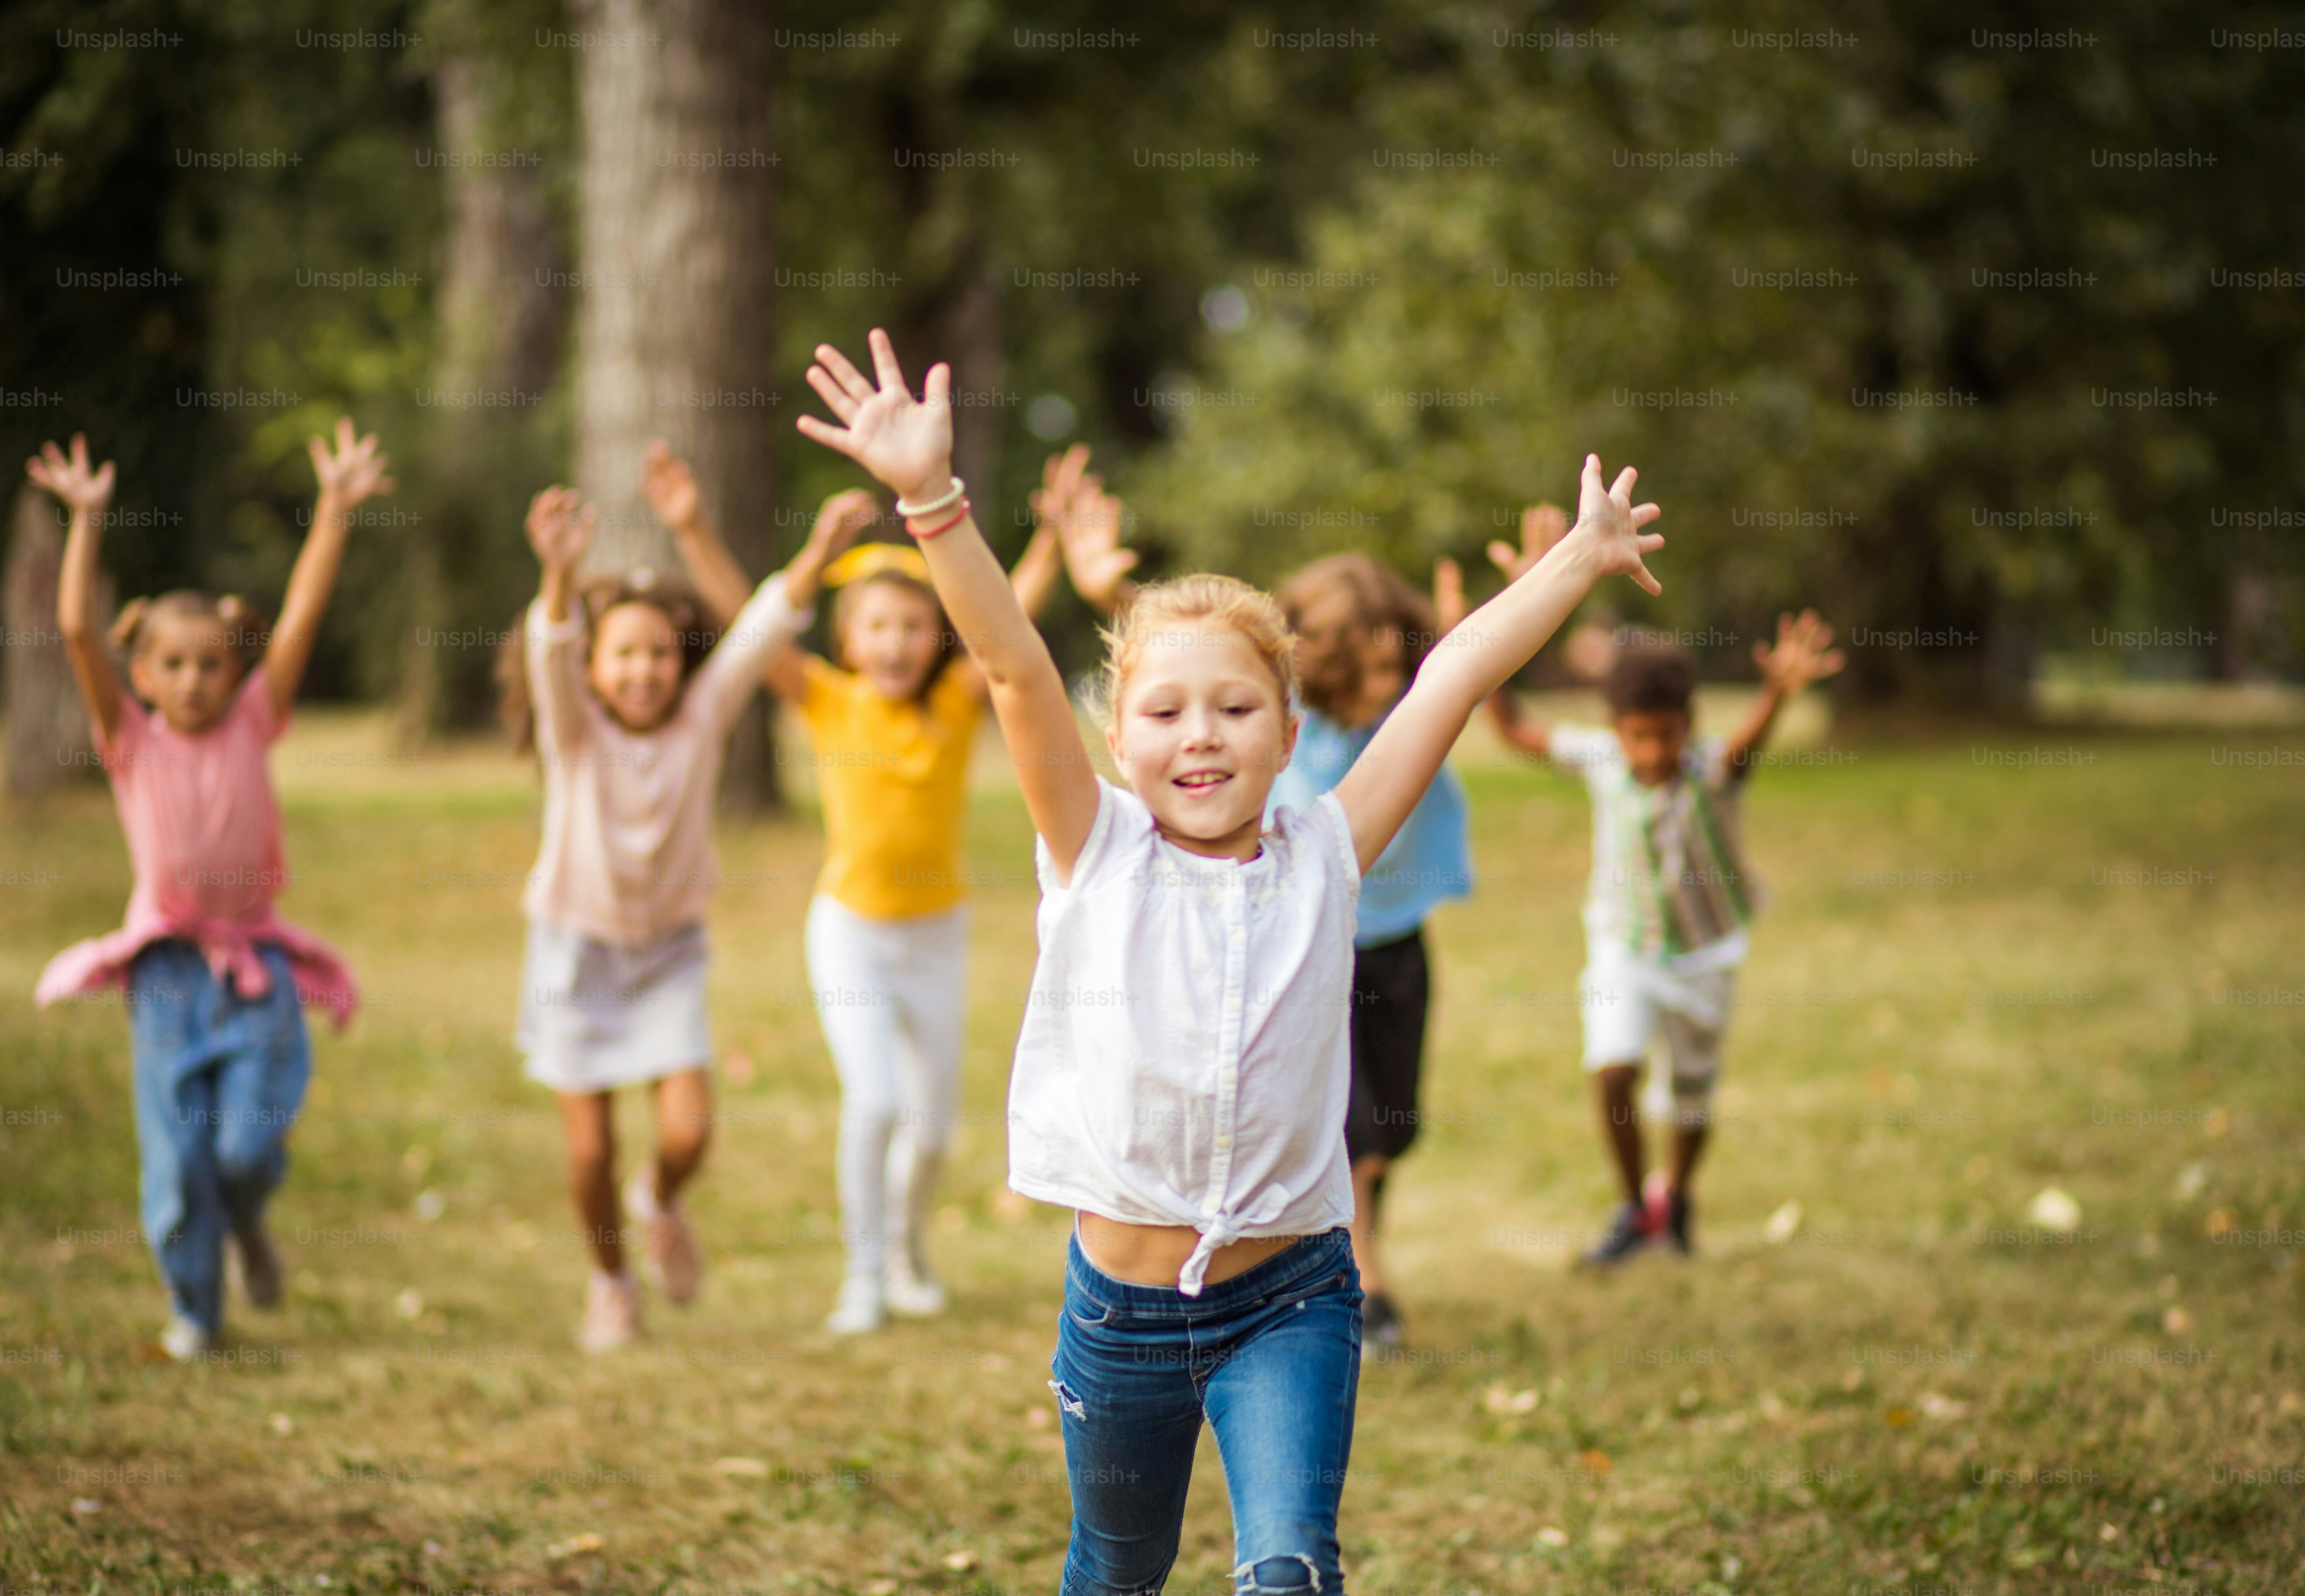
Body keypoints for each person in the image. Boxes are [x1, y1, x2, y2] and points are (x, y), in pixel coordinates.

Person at [794, 328, 1666, 1594]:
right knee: (1116, 1568)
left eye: (1234, 708)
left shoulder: (1328, 847)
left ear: (1285, 732)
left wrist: (1577, 559)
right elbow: (1006, 662)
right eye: (1161, 712)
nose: (1197, 736)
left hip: (1290, 1300)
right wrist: (930, 501)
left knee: (1287, 1570)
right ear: (1117, 735)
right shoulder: (1092, 849)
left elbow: (1451, 676)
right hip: (1121, 1317)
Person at [642, 439, 1061, 1334]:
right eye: (877, 627)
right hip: (851, 934)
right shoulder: (826, 698)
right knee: (872, 1102)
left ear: (936, 638)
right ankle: (863, 1275)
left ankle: (908, 1250)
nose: (896, 643)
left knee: (935, 1131)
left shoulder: (955, 700)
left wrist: (1053, 543)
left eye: (913, 627)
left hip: (936, 935)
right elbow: (743, 619)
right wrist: (693, 529)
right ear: (847, 640)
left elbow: (1009, 620)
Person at [1054, 488, 1476, 1356]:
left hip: (1397, 940)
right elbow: (1194, 664)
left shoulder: (1400, 725)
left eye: (1396, 666)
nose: (1383, 686)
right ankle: (1365, 1275)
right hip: (1307, 952)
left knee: (1390, 1124)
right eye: (1362, 670)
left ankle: (1360, 1240)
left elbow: (1454, 685)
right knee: (1348, 1121)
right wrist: (1106, 594)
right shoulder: (1284, 727)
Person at [29, 422, 390, 1361]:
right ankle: (197, 1305)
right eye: (172, 666)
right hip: (167, 980)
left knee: (242, 1150)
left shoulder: (253, 722)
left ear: (235, 672)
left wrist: (336, 515)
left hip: (256, 969)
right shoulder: (130, 742)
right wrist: (88, 520)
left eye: (210, 665)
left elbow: (303, 616)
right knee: (179, 1164)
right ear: (142, 675)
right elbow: (75, 628)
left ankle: (250, 1219)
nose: (193, 682)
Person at [506, 475, 850, 1351]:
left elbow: (758, 636)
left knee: (688, 1132)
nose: (643, 670)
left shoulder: (701, 720)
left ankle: (658, 1202)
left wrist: (818, 551)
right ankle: (611, 1282)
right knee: (588, 1153)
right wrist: (556, 575)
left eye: (659, 653)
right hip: (574, 956)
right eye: (622, 654)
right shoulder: (575, 732)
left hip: (666, 953)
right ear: (594, 668)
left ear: (679, 661)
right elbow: (550, 653)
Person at [1468, 510, 1843, 1263]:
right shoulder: (1600, 759)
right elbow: (1511, 730)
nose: (1649, 752)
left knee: (1692, 1096)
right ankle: (1631, 1206)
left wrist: (1774, 694)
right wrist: (1503, 629)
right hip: (1624, 944)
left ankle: (1677, 1197)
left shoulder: (1708, 769)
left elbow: (1743, 753)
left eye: (1664, 735)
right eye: (1636, 735)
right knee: (1611, 1067)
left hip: (1705, 952)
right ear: (1614, 728)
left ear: (1686, 724)